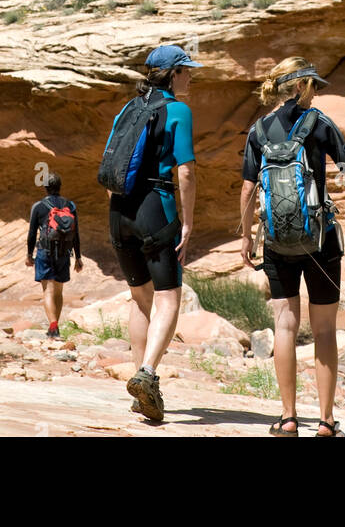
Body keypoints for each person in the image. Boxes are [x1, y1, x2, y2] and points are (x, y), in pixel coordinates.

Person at [240, 56, 345, 437]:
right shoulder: (319, 124)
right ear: (300, 86)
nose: (316, 93)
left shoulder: (259, 130)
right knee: (324, 331)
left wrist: (246, 236)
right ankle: (327, 421)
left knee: (284, 327)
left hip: (277, 243)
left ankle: (287, 418)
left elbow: (249, 188)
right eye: (313, 86)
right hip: (320, 243)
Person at [105, 43, 199, 423]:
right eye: (186, 70)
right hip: (154, 208)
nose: (191, 75)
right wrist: (188, 222)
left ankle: (138, 385)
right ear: (172, 74)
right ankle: (147, 376)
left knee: (139, 298)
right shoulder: (177, 110)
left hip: (118, 211)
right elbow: (187, 171)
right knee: (169, 299)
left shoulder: (128, 109)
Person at [26, 170, 83, 338]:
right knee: (58, 291)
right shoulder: (70, 206)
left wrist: (29, 254)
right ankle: (55, 326)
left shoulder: (38, 206)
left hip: (45, 251)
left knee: (48, 291)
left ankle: (53, 325)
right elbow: (76, 233)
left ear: (45, 187)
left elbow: (31, 233)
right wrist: (78, 257)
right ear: (60, 186)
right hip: (64, 252)